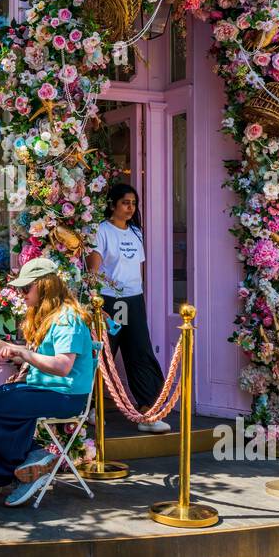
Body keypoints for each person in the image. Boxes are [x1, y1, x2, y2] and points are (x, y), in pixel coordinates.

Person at [0, 258, 95, 506]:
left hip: (65, 395)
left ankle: (23, 466)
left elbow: (62, 366)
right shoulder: (51, 317)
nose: (22, 294)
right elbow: (37, 357)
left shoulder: (67, 319)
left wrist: (22, 353)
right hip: (46, 389)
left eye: (26, 288)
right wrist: (0, 345)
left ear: (45, 286)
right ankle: (30, 459)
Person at [85, 183, 167, 433]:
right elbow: (93, 269)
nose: (131, 208)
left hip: (134, 299)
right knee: (105, 353)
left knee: (140, 351)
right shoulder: (101, 230)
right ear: (113, 204)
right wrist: (95, 301)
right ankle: (91, 407)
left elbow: (136, 268)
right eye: (125, 203)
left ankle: (147, 411)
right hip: (111, 301)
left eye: (133, 203)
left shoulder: (136, 232)